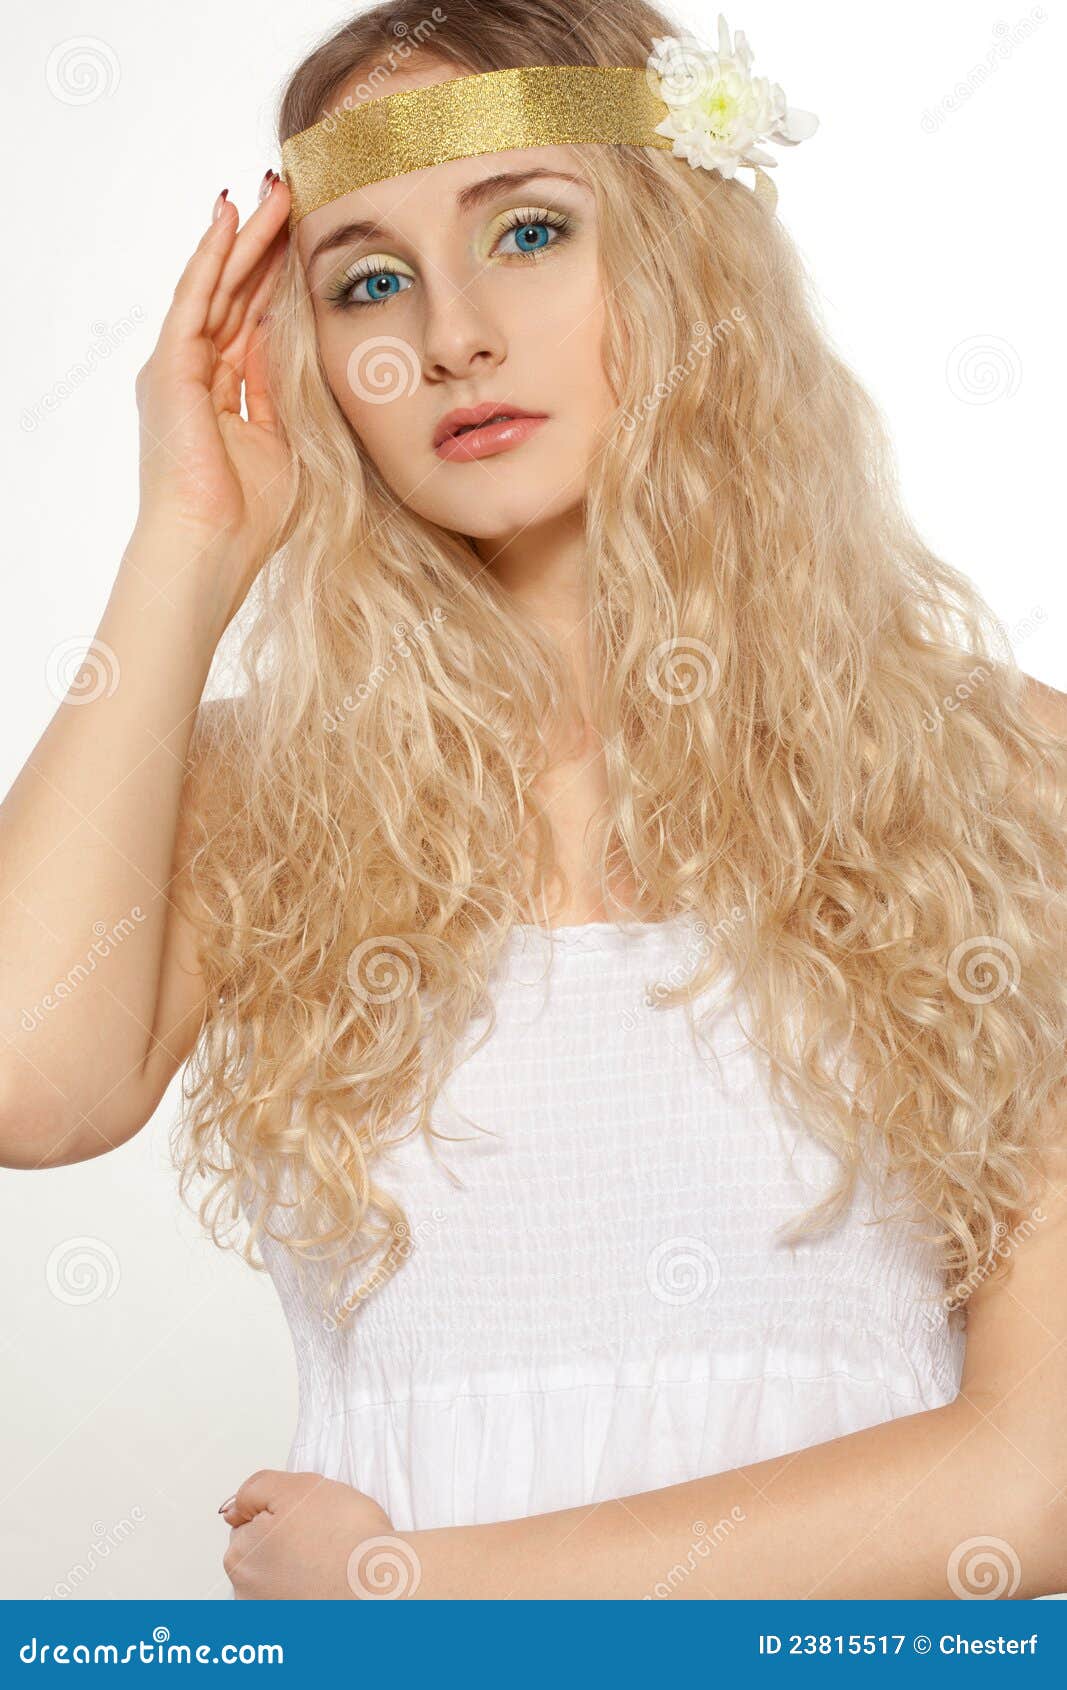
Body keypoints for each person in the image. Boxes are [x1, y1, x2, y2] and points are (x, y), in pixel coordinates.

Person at [2, 0, 1065, 1601]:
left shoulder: (1007, 778)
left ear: (683, 261)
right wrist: (188, 539)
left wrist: (415, 1580)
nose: (450, 335)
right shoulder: (260, 797)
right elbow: (29, 1082)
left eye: (529, 230)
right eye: (369, 279)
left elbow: (1033, 1485)